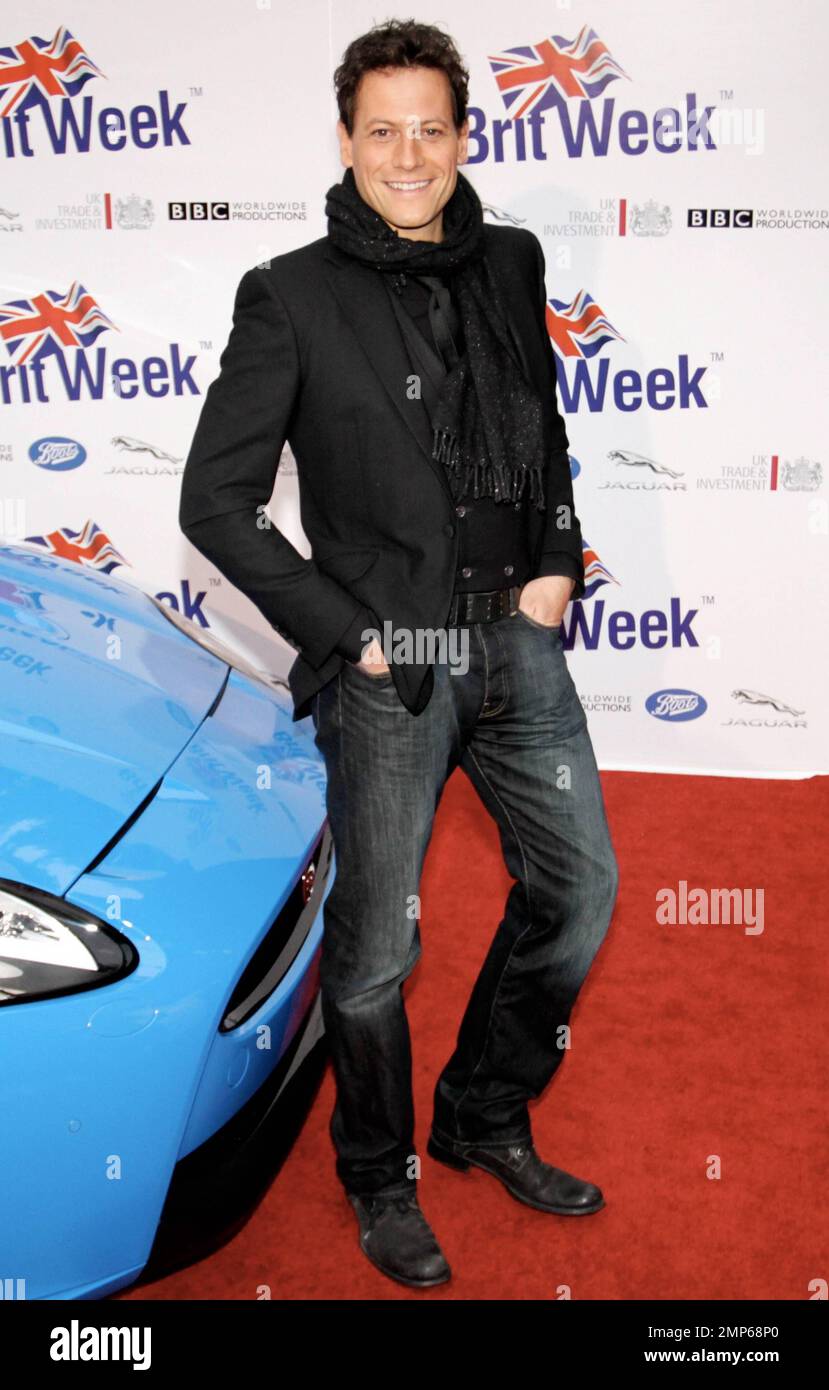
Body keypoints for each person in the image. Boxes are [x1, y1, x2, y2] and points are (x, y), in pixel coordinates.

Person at [179, 18, 619, 1291]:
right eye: (384, 130)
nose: (409, 153)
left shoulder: (510, 261)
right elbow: (216, 504)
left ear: (463, 134)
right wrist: (348, 634)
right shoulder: (291, 295)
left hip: (516, 638)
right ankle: (380, 1171)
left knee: (578, 893)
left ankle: (482, 1108)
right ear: (346, 140)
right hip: (392, 663)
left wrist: (558, 553)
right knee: (374, 954)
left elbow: (540, 434)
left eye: (432, 127)